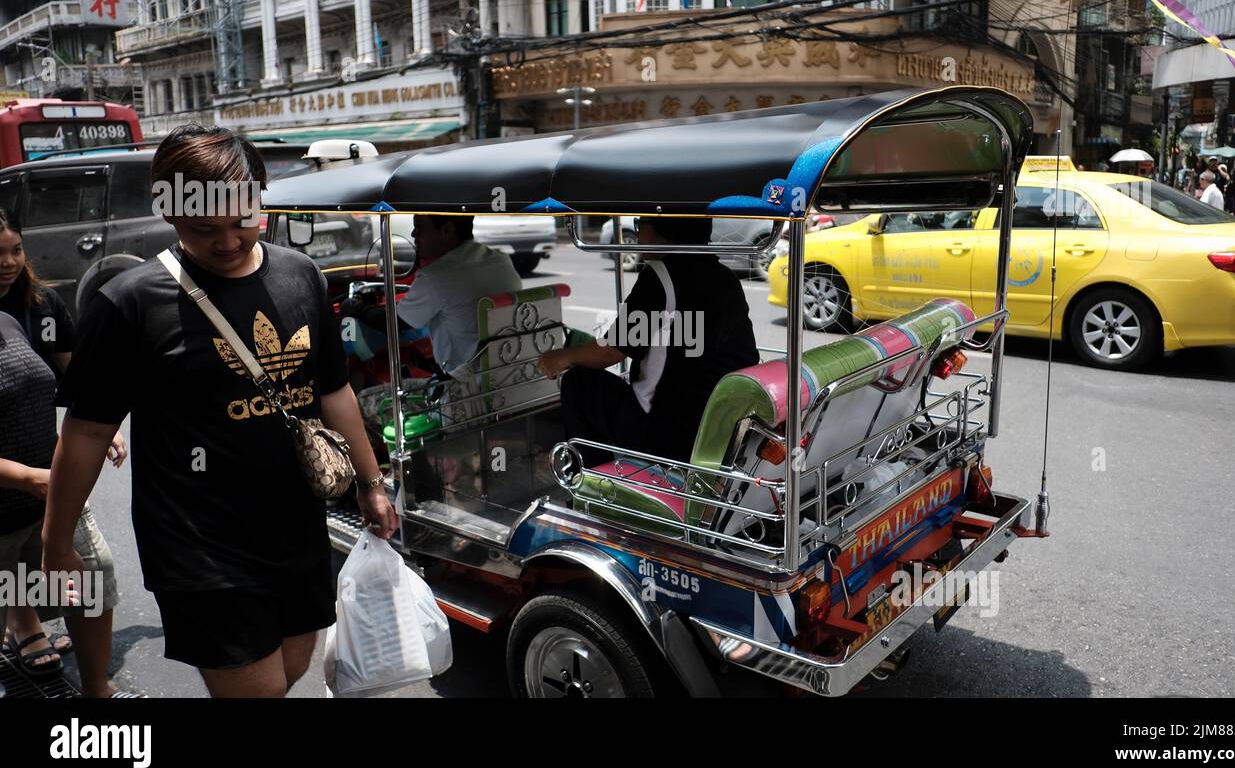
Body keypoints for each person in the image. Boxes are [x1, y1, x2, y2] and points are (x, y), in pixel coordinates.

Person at [43, 125, 397, 698]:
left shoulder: (299, 275)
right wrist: (56, 542)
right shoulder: (129, 302)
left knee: (288, 671)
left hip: (297, 525)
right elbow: (84, 432)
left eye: (241, 220)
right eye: (204, 228)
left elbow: (334, 393)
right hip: (198, 543)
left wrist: (370, 483)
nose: (228, 240)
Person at [0, 209, 129, 697]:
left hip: (49, 479)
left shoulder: (36, 309)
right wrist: (27, 478)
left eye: (16, 250)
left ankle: (98, 689)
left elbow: (74, 378)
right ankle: (24, 621)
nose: (9, 262)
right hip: (26, 485)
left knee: (89, 579)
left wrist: (96, 426)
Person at [537, 216, 759, 464]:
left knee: (578, 384)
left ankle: (590, 484)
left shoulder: (661, 277)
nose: (638, 235)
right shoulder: (725, 277)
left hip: (667, 436)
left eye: (641, 225)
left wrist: (561, 357)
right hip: (720, 429)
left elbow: (610, 352)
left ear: (666, 232)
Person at [341, 215, 521, 375]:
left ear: (446, 230)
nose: (413, 234)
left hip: (465, 391)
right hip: (511, 373)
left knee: (366, 399)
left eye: (419, 227)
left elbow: (394, 321)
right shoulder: (501, 260)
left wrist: (356, 307)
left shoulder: (437, 276)